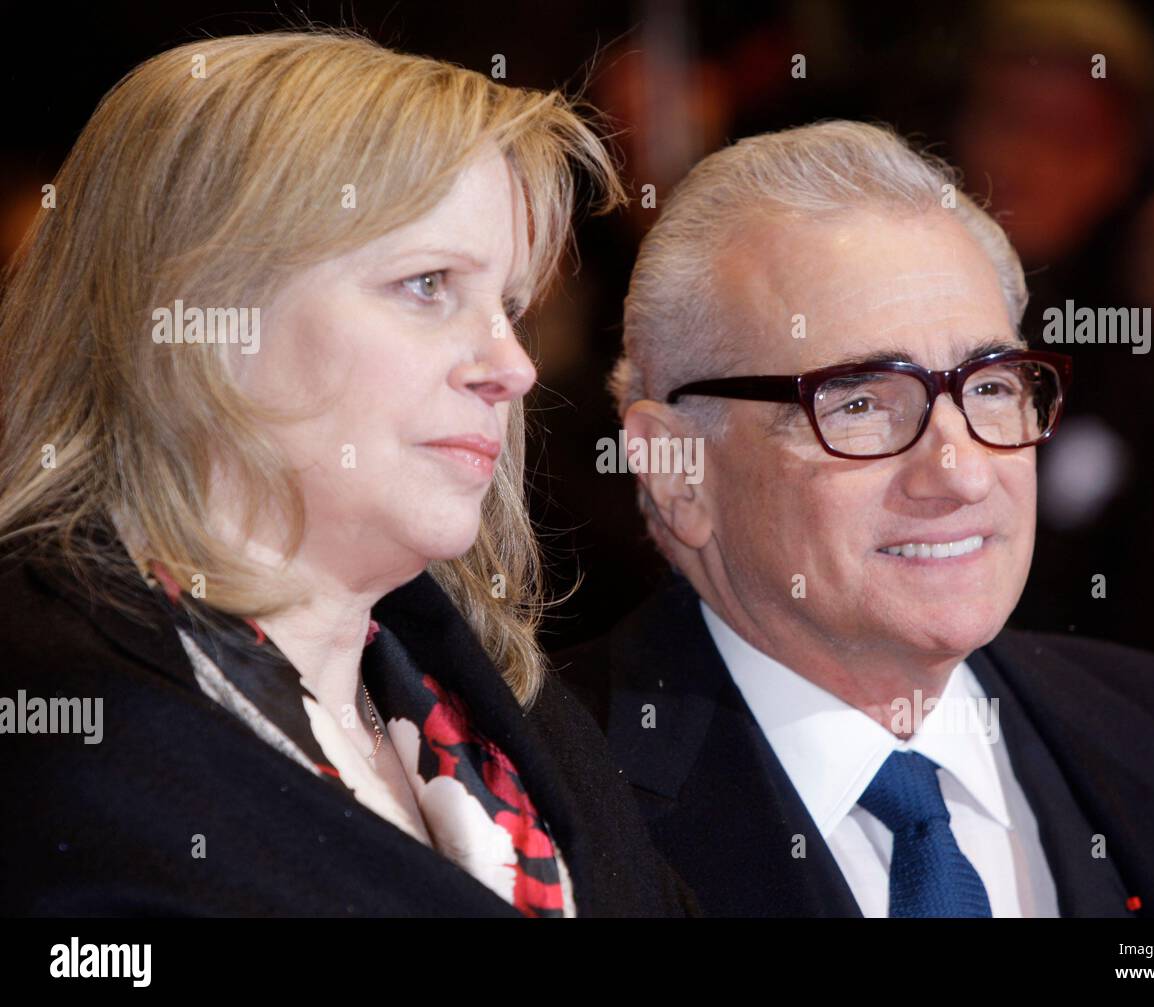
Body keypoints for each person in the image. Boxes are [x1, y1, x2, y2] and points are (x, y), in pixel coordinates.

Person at [0, 29, 693, 917]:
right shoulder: (60, 729)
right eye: (427, 284)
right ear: (206, 312)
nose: (513, 366)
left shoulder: (510, 708)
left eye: (511, 306)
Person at [556, 120, 1154, 917]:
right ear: (679, 474)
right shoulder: (541, 807)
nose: (961, 470)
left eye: (989, 386)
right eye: (863, 402)